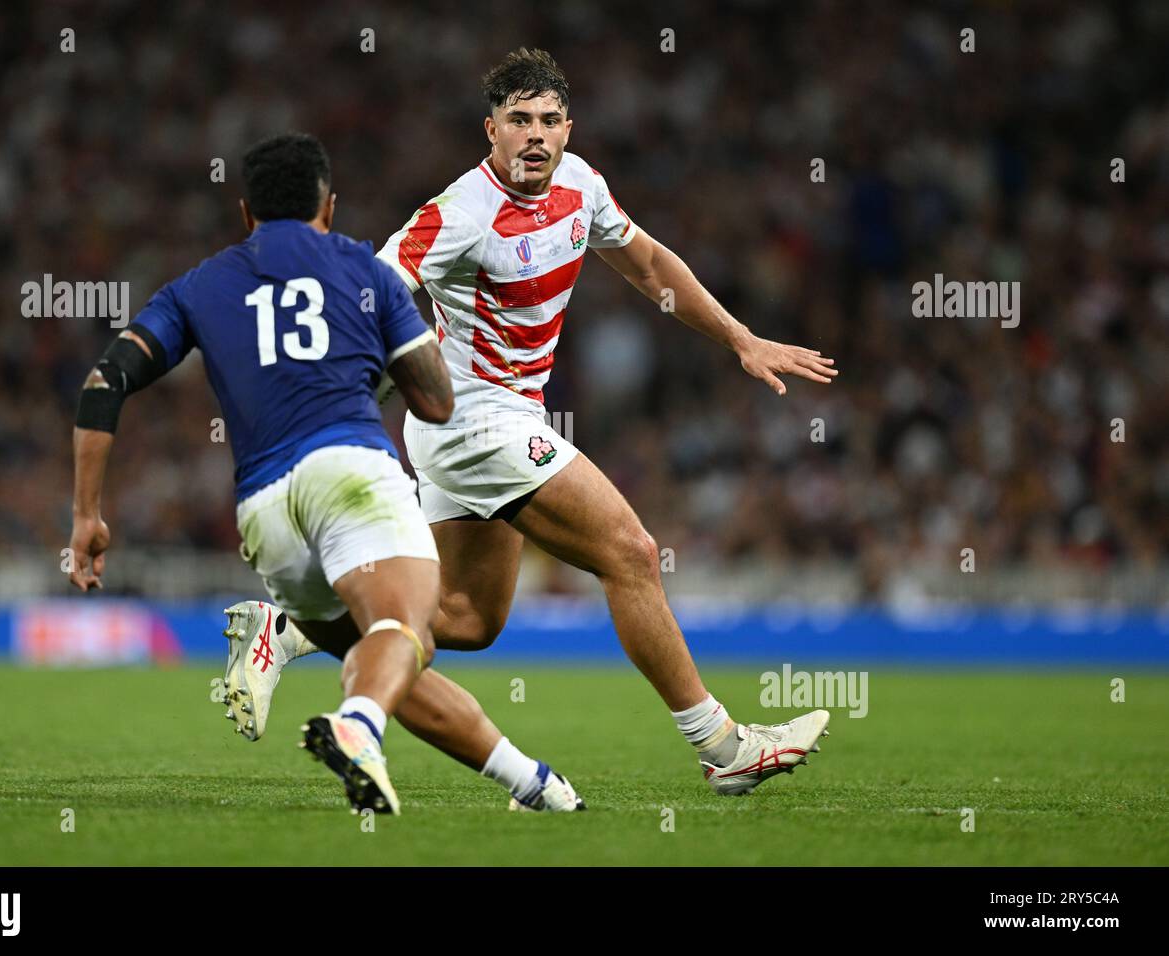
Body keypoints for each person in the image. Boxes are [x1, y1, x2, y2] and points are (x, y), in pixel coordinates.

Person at [66, 132, 581, 814]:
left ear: (247, 213)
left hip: (264, 511)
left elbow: (104, 384)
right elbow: (435, 399)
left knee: (390, 657)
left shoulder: (198, 286)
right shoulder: (364, 270)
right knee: (406, 630)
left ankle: (533, 785)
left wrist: (87, 516)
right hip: (351, 473)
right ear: (329, 207)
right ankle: (357, 726)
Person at [370, 48, 837, 793]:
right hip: (471, 418)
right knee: (631, 551)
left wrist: (741, 339)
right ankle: (724, 747)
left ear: (568, 128)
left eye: (549, 121)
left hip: (496, 416)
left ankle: (292, 625)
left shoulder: (582, 185)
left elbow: (650, 267)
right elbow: (376, 288)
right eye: (518, 120)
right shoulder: (458, 212)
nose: (535, 136)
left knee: (466, 617)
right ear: (489, 130)